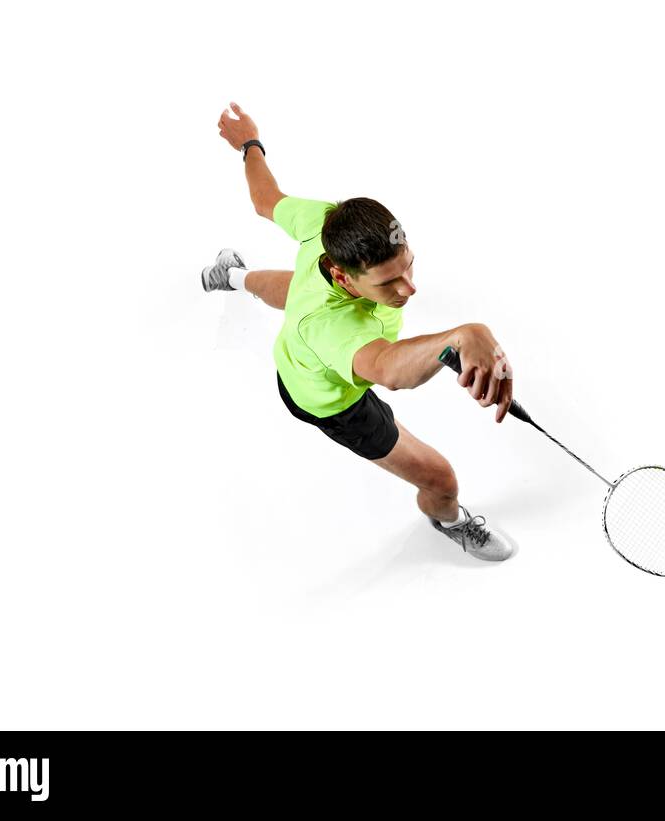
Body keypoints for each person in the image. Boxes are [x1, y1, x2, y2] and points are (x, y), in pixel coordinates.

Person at [201, 102, 514, 561]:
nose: (409, 288)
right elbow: (386, 370)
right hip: (328, 400)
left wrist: (249, 142)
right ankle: (449, 520)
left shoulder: (327, 225)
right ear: (343, 277)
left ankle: (229, 275)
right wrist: (464, 334)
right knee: (441, 478)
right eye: (388, 282)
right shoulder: (333, 325)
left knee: (289, 288)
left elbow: (264, 199)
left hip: (302, 336)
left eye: (408, 267)